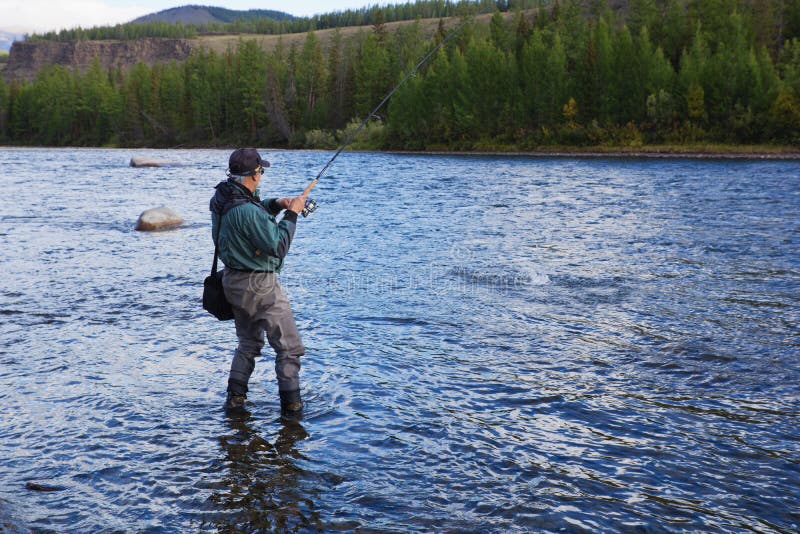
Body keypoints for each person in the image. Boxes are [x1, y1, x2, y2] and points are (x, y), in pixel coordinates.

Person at [209, 148, 308, 415]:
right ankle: (292, 410)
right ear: (253, 175)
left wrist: (279, 203)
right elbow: (277, 245)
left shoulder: (223, 197)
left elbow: (253, 211)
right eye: (260, 171)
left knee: (249, 343)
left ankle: (234, 400)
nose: (262, 175)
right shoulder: (246, 210)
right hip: (260, 287)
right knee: (289, 348)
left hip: (233, 282)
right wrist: (292, 214)